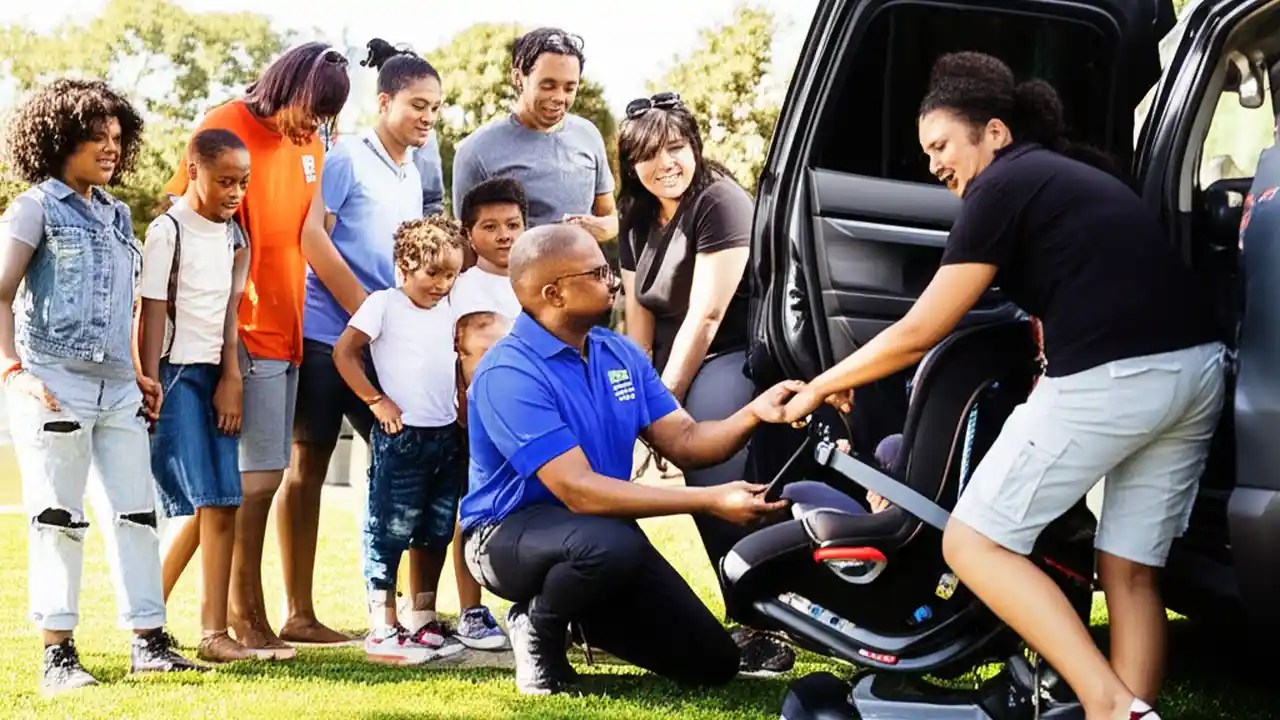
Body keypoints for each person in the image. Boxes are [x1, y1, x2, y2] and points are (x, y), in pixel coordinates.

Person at [772, 52, 1226, 720]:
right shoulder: (1067, 177)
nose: (933, 164)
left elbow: (923, 326)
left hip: (1116, 377)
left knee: (974, 542)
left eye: (941, 145)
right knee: (1129, 567)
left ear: (995, 133)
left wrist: (819, 386)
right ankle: (1131, 709)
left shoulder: (1001, 185)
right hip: (1195, 372)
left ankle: (1109, 705)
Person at [459, 223, 801, 695]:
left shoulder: (618, 352)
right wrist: (706, 500)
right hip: (507, 538)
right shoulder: (508, 372)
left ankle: (583, 616)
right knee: (610, 545)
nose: (614, 280)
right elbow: (577, 490)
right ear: (553, 293)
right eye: (598, 271)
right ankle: (537, 627)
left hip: (598, 537)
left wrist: (754, 414)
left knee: (713, 664)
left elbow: (685, 439)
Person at [0, 78, 201, 695]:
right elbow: (1, 293)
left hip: (118, 390)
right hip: (52, 386)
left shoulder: (117, 213)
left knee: (137, 514)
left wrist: (139, 371)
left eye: (117, 137)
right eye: (96, 137)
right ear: (59, 140)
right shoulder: (34, 207)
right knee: (58, 518)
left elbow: (124, 304)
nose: (111, 148)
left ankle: (149, 640)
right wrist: (14, 371)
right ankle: (58, 655)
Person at [161, 41, 351, 656]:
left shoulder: (310, 145)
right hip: (239, 328)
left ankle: (154, 608)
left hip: (290, 325)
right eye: (310, 110)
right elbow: (185, 221)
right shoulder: (223, 124)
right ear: (287, 82)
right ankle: (243, 618)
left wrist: (369, 308)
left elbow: (308, 238)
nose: (312, 126)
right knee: (254, 478)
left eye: (324, 117)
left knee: (242, 481)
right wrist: (217, 350)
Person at [615, 90, 793, 672]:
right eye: (650, 154)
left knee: (714, 478)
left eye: (676, 147)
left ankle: (766, 624)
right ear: (632, 163)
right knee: (681, 488)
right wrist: (634, 400)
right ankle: (736, 619)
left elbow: (706, 316)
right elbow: (637, 321)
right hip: (663, 369)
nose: (666, 163)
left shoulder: (719, 201)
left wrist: (663, 399)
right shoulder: (636, 217)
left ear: (693, 145)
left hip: (729, 356)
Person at [285, 38, 442, 646]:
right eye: (417, 105)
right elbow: (312, 239)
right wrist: (367, 310)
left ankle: (393, 609)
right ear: (384, 102)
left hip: (382, 343)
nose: (427, 117)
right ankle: (299, 612)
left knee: (399, 465)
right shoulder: (346, 156)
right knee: (309, 466)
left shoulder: (414, 170)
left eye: (435, 107)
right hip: (328, 335)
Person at [332, 216, 468, 664]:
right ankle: (382, 626)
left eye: (450, 274)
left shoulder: (451, 308)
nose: (441, 284)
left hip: (445, 435)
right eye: (432, 274)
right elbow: (344, 352)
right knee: (388, 531)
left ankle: (422, 619)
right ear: (405, 266)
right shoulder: (383, 304)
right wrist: (376, 401)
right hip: (401, 436)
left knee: (435, 530)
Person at [142, 129, 254, 663]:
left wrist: (231, 377)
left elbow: (232, 313)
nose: (235, 193)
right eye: (225, 181)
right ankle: (145, 625)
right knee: (196, 501)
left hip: (218, 374)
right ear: (193, 170)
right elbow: (152, 309)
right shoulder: (168, 230)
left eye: (243, 183)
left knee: (225, 499)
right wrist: (149, 380)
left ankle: (213, 634)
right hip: (175, 374)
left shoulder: (236, 237)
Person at [435, 176, 529, 650]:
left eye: (513, 224)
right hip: (478, 419)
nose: (504, 235)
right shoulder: (461, 287)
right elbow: (455, 358)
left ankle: (540, 607)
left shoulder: (536, 280)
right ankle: (471, 610)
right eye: (489, 226)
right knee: (471, 509)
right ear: (469, 234)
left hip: (534, 419)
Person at [451, 28, 617, 241]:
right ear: (518, 78)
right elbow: (465, 239)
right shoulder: (475, 151)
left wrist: (603, 228)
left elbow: (609, 215)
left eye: (569, 88)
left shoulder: (588, 135)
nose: (559, 97)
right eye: (548, 86)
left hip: (584, 271)